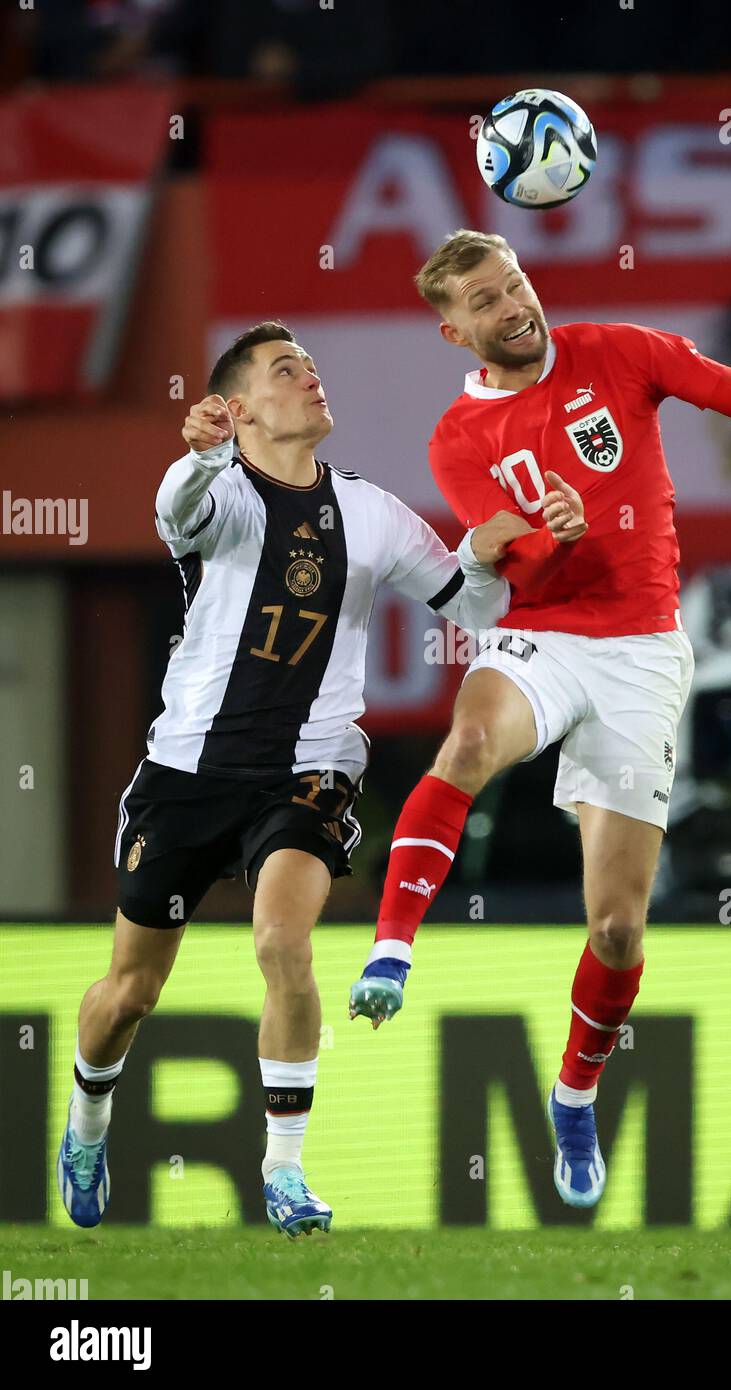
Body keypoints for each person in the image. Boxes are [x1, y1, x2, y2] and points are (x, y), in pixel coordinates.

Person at [349, 230, 731, 1210]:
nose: (511, 305)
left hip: (643, 652)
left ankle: (572, 1095)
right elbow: (506, 573)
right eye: (484, 300)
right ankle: (391, 946)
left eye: (512, 282)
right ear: (451, 329)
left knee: (613, 927)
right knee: (469, 741)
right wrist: (541, 541)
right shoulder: (457, 438)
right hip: (539, 635)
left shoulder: (620, 351)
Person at [56, 320, 533, 1238]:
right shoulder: (221, 495)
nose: (311, 380)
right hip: (187, 771)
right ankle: (87, 1125)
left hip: (309, 766)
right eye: (287, 371)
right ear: (239, 410)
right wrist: (195, 456)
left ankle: (283, 1171)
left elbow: (472, 607)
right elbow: (176, 510)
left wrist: (483, 551)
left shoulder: (372, 513)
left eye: (311, 367)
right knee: (129, 995)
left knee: (283, 940)